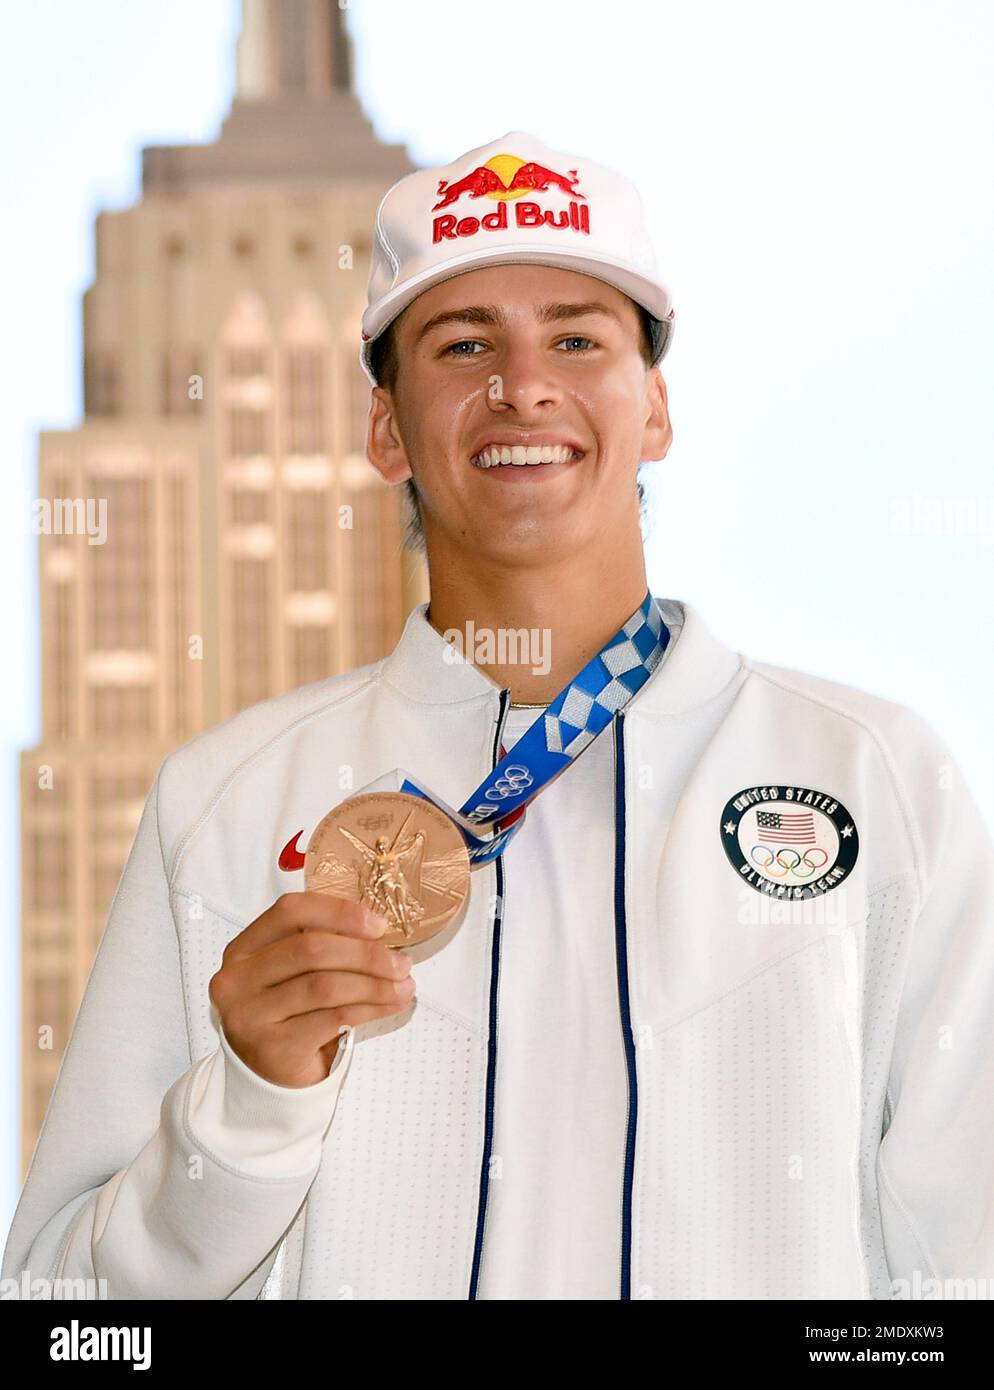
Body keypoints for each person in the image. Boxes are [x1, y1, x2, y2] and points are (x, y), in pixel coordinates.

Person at [4, 130, 993, 1302]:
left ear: (657, 408)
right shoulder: (226, 799)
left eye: (576, 338)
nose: (521, 384)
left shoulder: (877, 779)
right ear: (386, 432)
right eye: (463, 345)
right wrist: (248, 1102)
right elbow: (68, 1323)